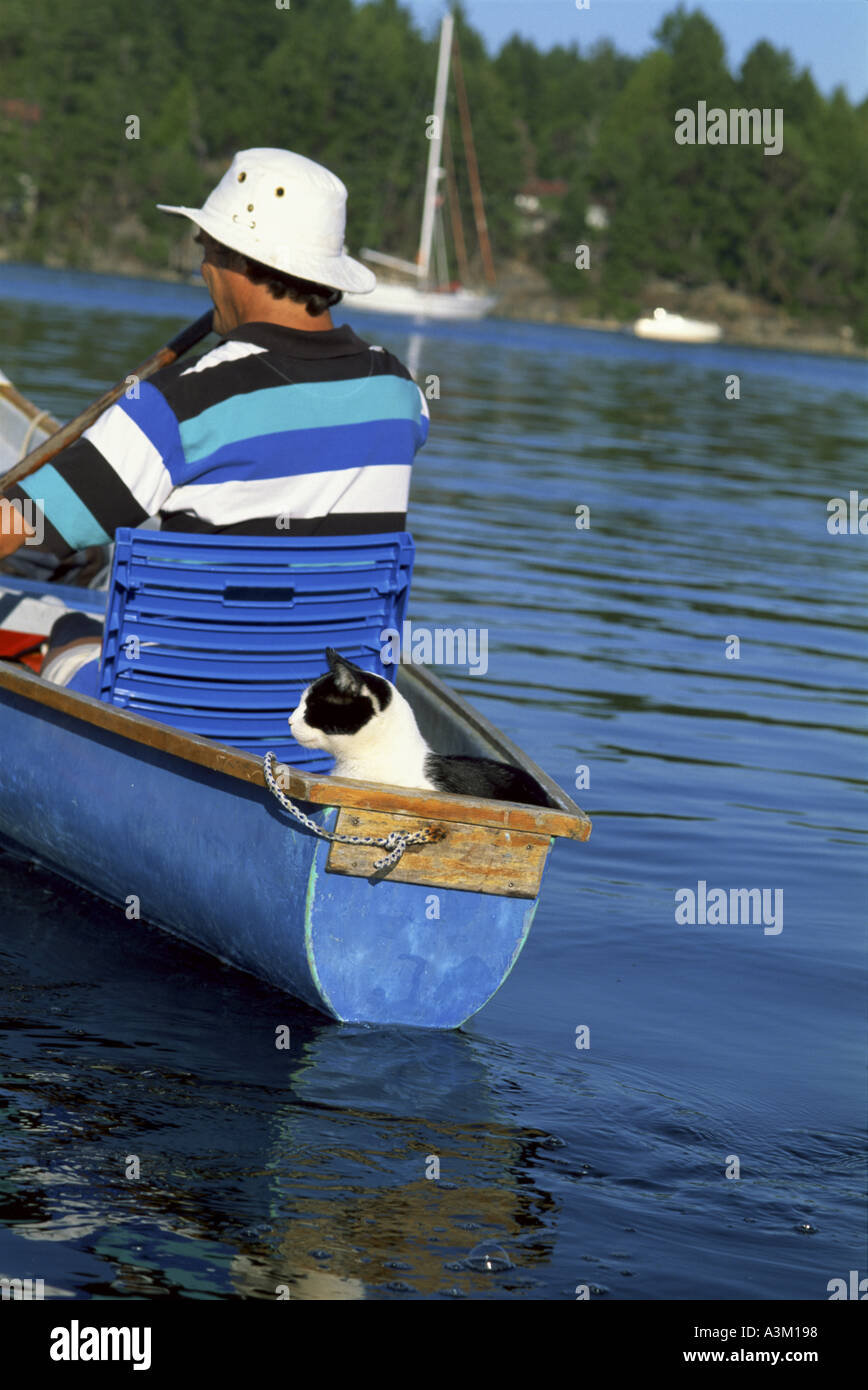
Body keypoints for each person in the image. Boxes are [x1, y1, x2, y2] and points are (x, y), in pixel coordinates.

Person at [0, 147, 429, 690]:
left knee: (68, 630)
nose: (203, 267)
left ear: (235, 259)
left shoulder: (176, 403)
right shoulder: (401, 392)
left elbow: (18, 525)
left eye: (206, 248)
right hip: (331, 709)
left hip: (190, 706)